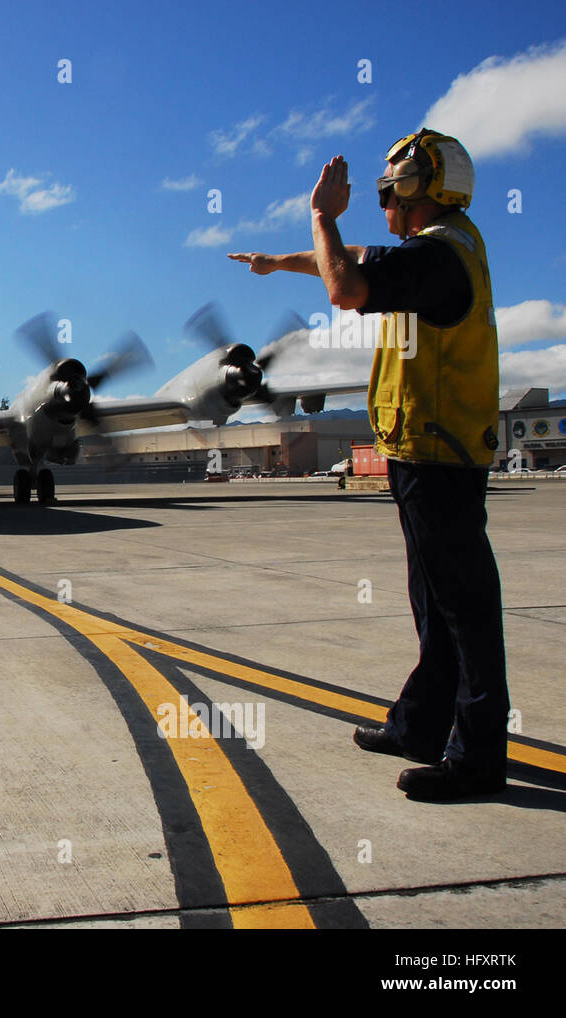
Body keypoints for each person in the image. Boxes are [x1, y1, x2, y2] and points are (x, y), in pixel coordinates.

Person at [228, 129, 508, 801]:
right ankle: (420, 724)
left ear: (413, 191)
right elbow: (354, 259)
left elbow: (347, 285)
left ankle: (477, 758)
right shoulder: (445, 249)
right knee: (435, 602)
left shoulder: (437, 258)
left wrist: (321, 214)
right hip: (428, 449)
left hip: (439, 453)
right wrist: (278, 261)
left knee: (463, 608)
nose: (381, 201)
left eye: (387, 190)